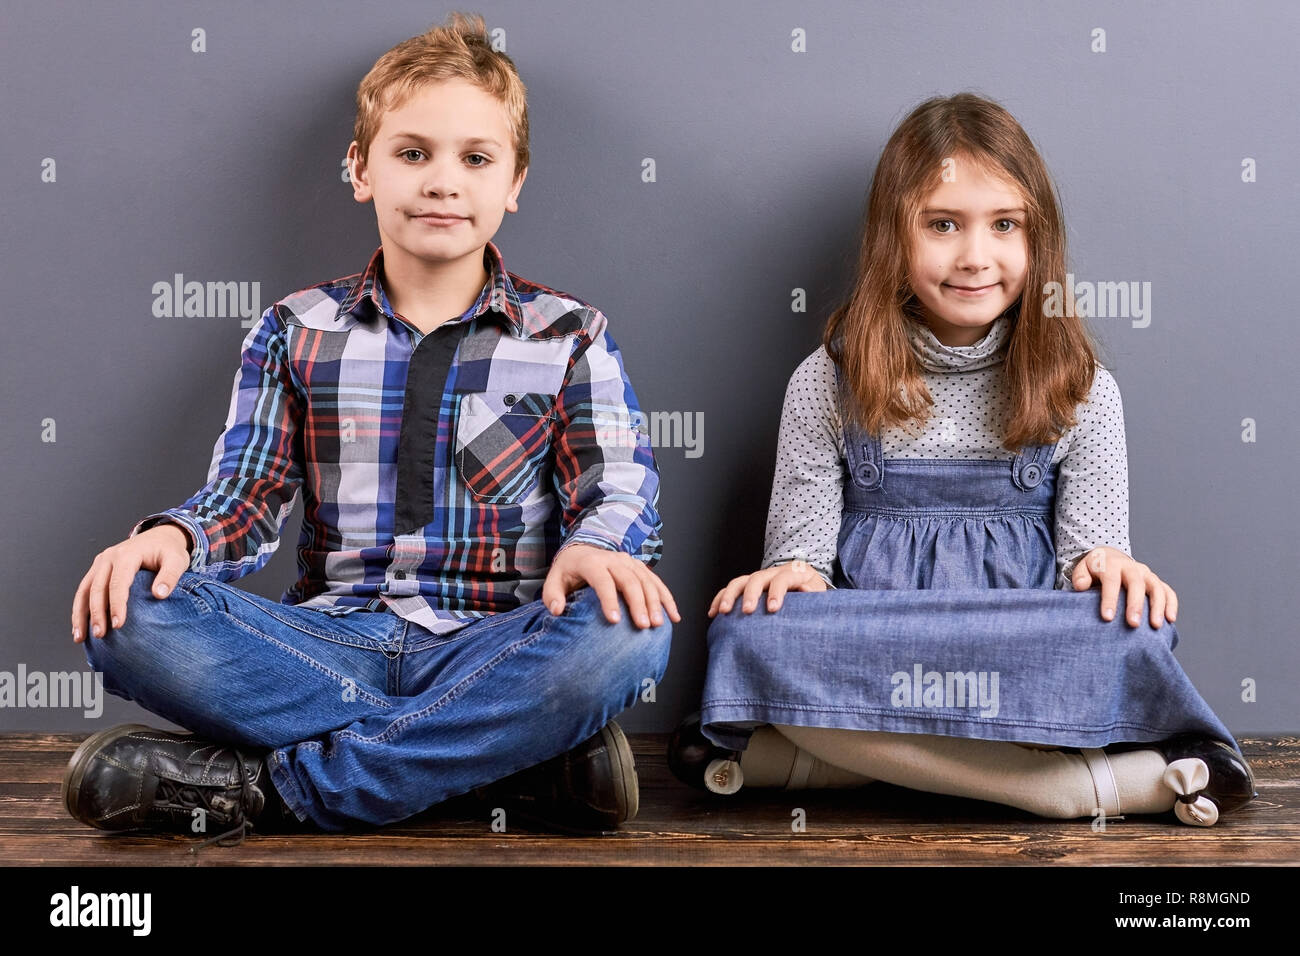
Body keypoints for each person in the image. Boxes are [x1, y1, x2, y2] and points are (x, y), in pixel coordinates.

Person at [65, 12, 679, 851]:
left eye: (475, 159)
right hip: (324, 644)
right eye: (413, 153)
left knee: (628, 630)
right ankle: (503, 762)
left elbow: (619, 489)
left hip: (495, 647)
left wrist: (599, 547)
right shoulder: (294, 328)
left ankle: (275, 790)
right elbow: (246, 494)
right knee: (125, 611)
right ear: (361, 169)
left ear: (515, 181)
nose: (443, 182)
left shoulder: (569, 334)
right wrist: (175, 537)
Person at [669, 93, 1254, 828]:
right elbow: (801, 564)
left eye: (1004, 225)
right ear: (894, 235)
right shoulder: (826, 380)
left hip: (1013, 648)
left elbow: (1089, 562)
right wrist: (789, 576)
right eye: (943, 224)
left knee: (1132, 633)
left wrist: (1110, 563)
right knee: (748, 631)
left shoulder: (1082, 388)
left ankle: (823, 761)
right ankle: (1078, 788)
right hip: (880, 644)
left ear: (1038, 238)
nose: (976, 256)